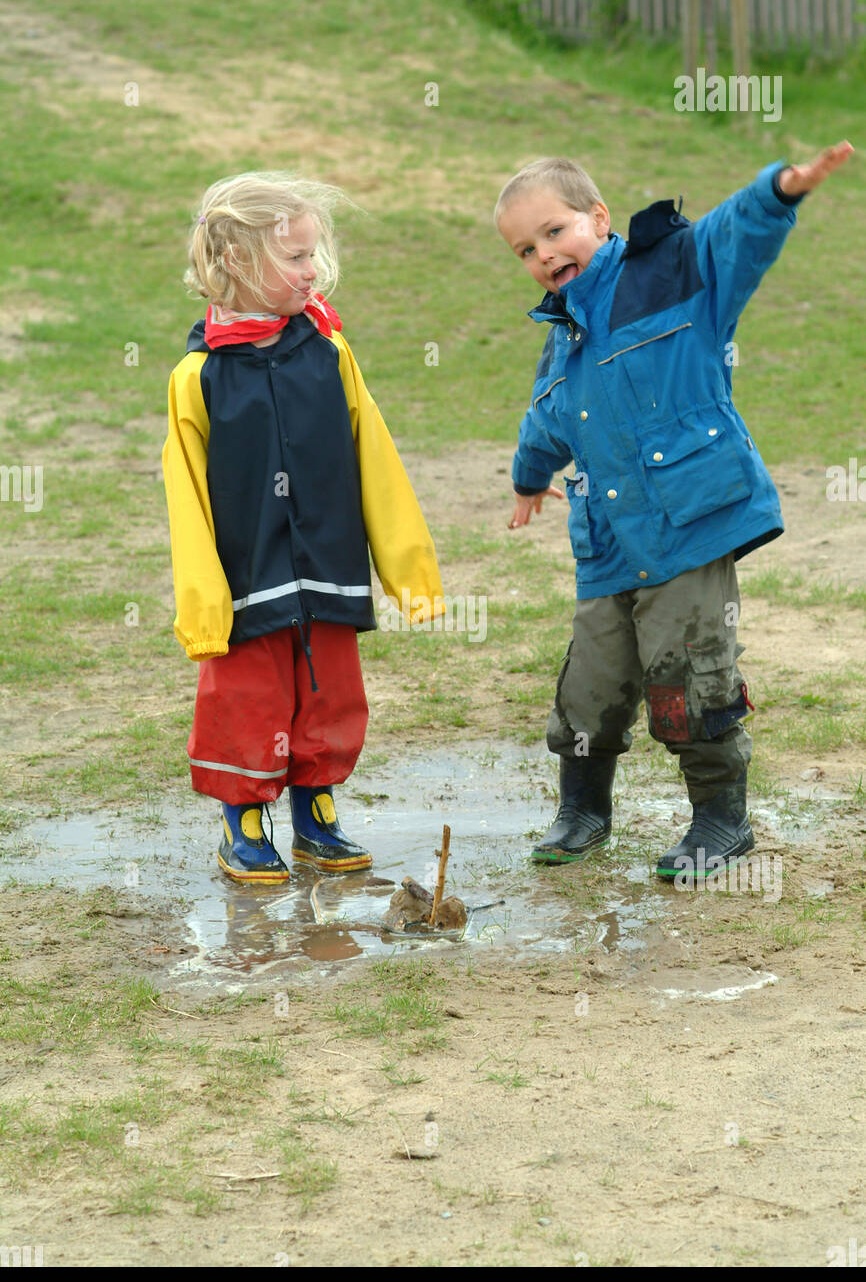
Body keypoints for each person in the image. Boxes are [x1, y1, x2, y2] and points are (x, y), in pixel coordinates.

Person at [496, 142, 853, 882]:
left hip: (690, 527)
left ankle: (721, 820)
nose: (544, 255)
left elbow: (735, 234)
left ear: (598, 217)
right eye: (527, 249)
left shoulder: (673, 273)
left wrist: (778, 191)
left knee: (690, 678)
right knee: (588, 690)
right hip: (606, 549)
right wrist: (529, 478)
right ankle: (584, 808)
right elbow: (546, 419)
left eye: (555, 231)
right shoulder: (562, 336)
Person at [163, 171, 443, 882]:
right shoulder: (197, 377)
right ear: (235, 259)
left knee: (330, 694)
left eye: (311, 253)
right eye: (294, 257)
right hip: (247, 581)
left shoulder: (331, 352)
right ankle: (244, 821)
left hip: (328, 567)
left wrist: (409, 571)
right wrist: (203, 605)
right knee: (247, 702)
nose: (310, 270)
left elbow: (374, 459)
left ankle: (316, 810)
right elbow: (187, 498)